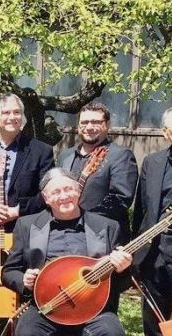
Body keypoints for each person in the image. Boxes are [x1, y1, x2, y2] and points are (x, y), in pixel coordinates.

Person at [3, 168, 130, 336]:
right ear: (46, 198)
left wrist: (122, 268)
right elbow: (8, 272)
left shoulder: (107, 226)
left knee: (113, 334)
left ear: (79, 191)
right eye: (56, 192)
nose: (64, 196)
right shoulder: (27, 225)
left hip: (93, 308)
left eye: (69, 189)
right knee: (26, 334)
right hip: (46, 308)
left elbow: (123, 281)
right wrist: (22, 278)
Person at [0, 94, 54, 230]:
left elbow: (47, 192)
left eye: (17, 112)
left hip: (26, 227)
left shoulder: (42, 151)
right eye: (6, 112)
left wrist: (17, 211)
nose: (12, 117)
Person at [132, 107, 172, 336]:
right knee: (155, 307)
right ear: (166, 132)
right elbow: (142, 209)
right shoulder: (153, 162)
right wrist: (138, 247)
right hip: (156, 247)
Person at [57, 102, 138, 238]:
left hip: (103, 236)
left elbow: (119, 200)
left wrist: (82, 219)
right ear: (78, 126)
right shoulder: (65, 156)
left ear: (107, 125)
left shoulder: (120, 156)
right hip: (65, 234)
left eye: (95, 122)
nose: (89, 127)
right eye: (84, 122)